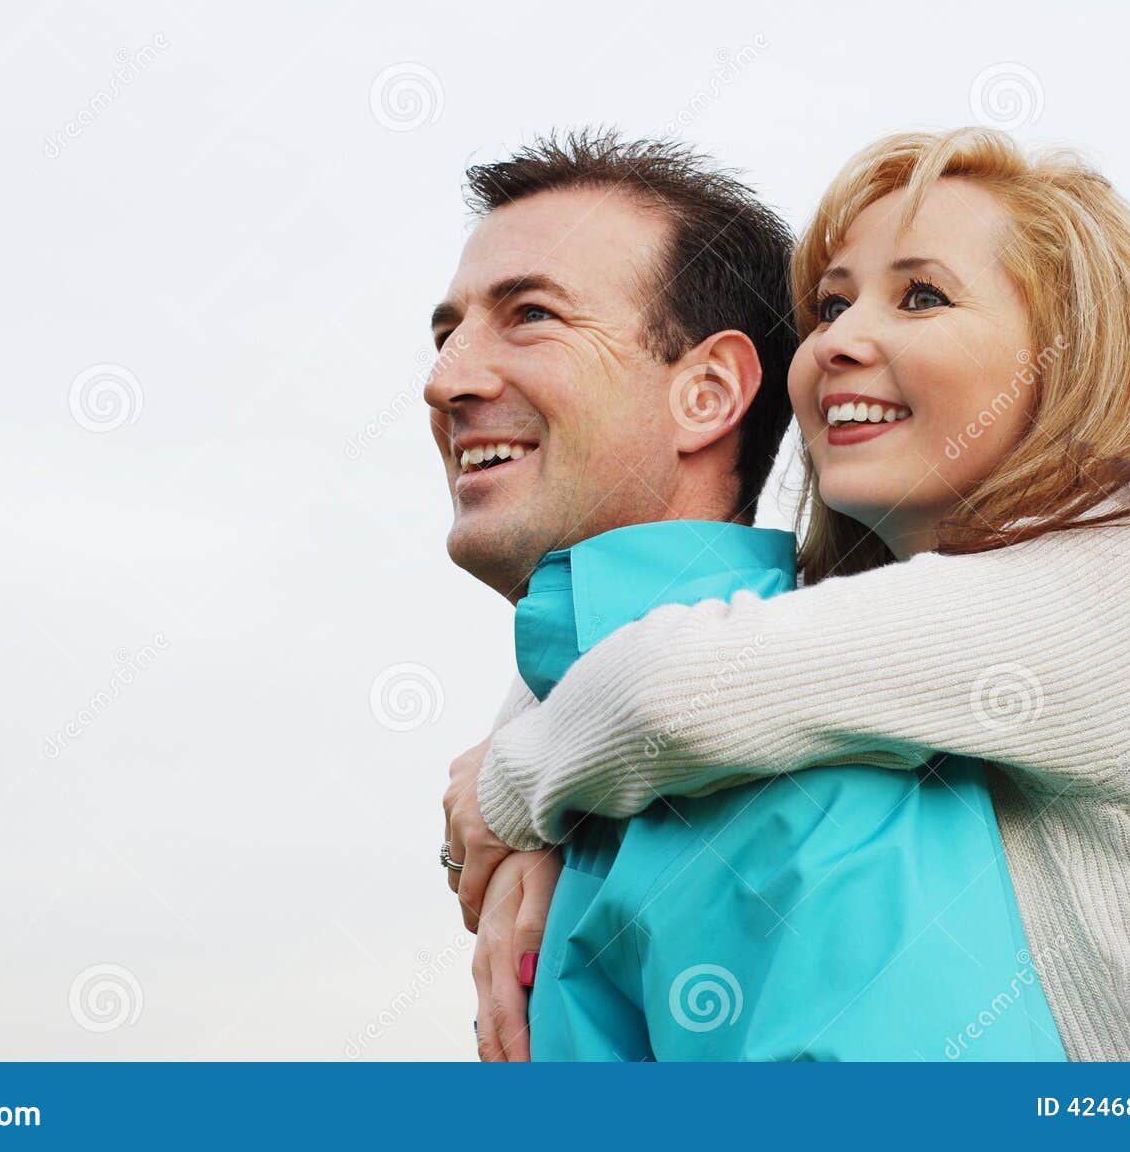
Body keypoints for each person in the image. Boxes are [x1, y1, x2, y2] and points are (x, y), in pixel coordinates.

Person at [447, 127, 1130, 1060]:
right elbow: (677, 645)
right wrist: (541, 804)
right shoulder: (938, 618)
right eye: (832, 305)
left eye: (921, 296)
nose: (840, 339)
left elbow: (672, 691)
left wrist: (511, 789)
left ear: (1069, 357)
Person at [428, 130, 1063, 1061]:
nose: (446, 379)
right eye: (446, 333)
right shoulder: (585, 765)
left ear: (708, 393)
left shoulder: (805, 765)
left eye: (531, 315)